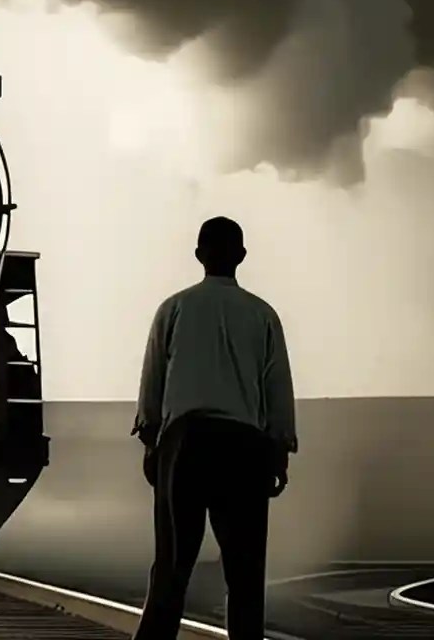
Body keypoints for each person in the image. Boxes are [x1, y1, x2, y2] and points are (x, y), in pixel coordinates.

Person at [131, 216, 297, 640]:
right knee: (244, 571)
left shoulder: (173, 308)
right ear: (241, 256)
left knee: (171, 565)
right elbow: (277, 388)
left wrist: (152, 447)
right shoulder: (263, 315)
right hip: (244, 447)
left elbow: (153, 384)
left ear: (199, 254)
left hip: (184, 442)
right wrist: (278, 453)